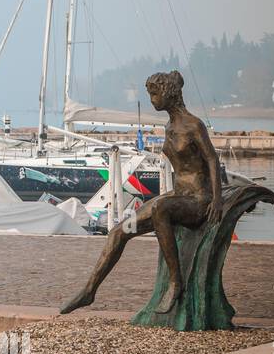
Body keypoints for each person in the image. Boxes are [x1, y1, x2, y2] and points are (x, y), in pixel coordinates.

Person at [61, 70, 223, 314]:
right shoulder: (170, 127)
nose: (151, 100)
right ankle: (89, 291)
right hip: (177, 199)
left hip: (197, 202)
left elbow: (212, 160)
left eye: (154, 94)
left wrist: (218, 200)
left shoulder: (194, 126)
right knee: (118, 231)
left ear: (168, 93)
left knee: (159, 207)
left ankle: (175, 282)